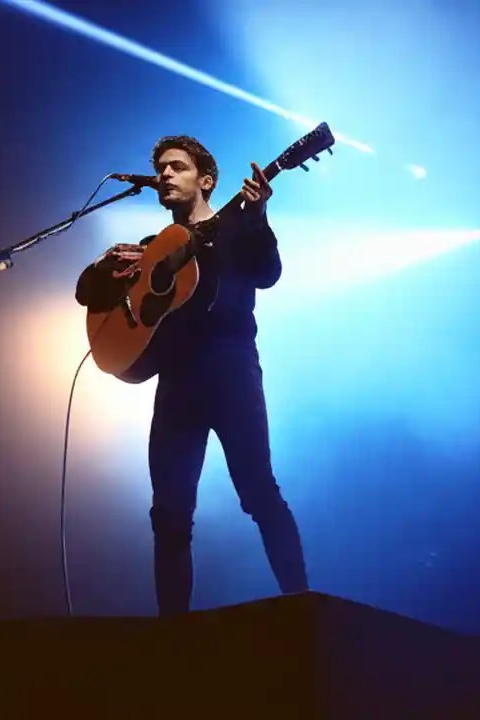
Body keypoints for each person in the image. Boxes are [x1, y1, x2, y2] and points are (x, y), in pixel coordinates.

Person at [74, 135, 308, 616]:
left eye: (175, 167)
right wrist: (105, 266)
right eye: (159, 168)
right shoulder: (150, 249)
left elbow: (268, 274)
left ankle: (304, 609)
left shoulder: (237, 226)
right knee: (170, 514)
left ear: (206, 180)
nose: (163, 174)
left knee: (258, 491)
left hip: (231, 371)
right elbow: (86, 294)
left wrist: (260, 215)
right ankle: (172, 635)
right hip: (176, 380)